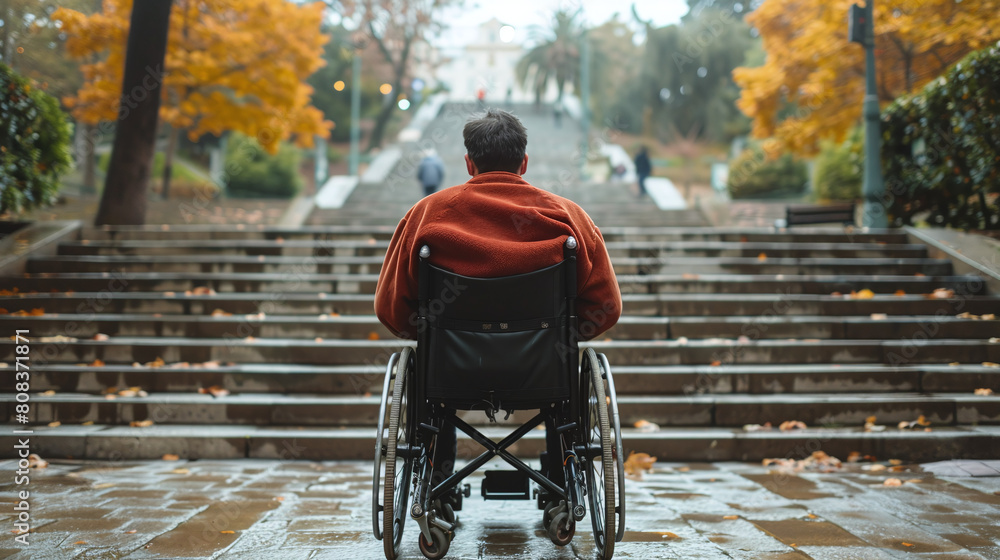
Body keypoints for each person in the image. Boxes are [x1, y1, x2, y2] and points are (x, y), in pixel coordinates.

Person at [375, 108, 622, 494]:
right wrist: (560, 335)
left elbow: (390, 307)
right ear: (524, 162)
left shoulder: (426, 215)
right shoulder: (568, 216)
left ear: (469, 163)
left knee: (429, 370)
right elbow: (606, 305)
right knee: (563, 375)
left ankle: (437, 484)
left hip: (450, 367)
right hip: (543, 368)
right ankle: (561, 482)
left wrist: (433, 332)